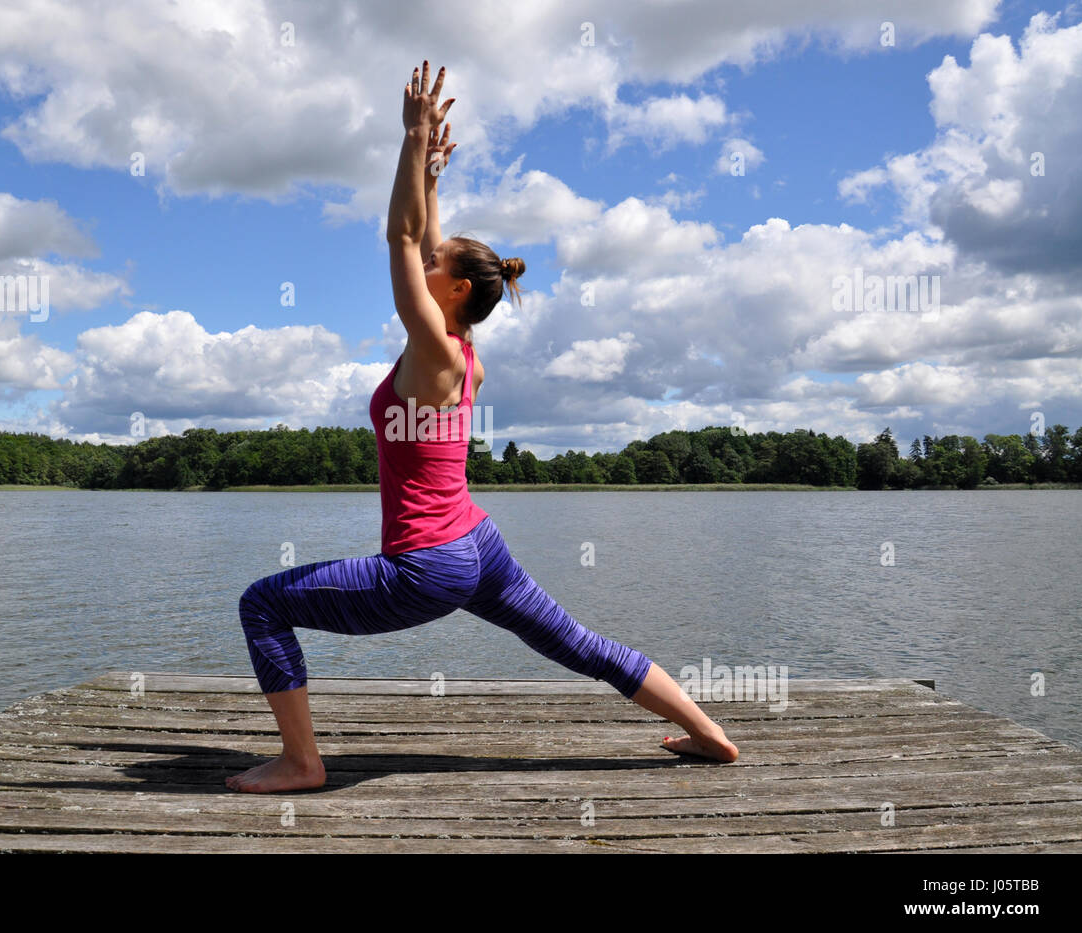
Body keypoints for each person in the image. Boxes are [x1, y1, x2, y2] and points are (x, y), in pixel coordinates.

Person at [227, 61, 737, 793]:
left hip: (429, 563)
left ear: (456, 288)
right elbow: (427, 237)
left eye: (438, 264)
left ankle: (304, 763)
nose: (426, 261)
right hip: (477, 543)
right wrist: (430, 171)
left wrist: (409, 138)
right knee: (578, 644)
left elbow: (403, 237)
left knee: (263, 602)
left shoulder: (434, 348)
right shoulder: (466, 355)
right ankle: (710, 734)